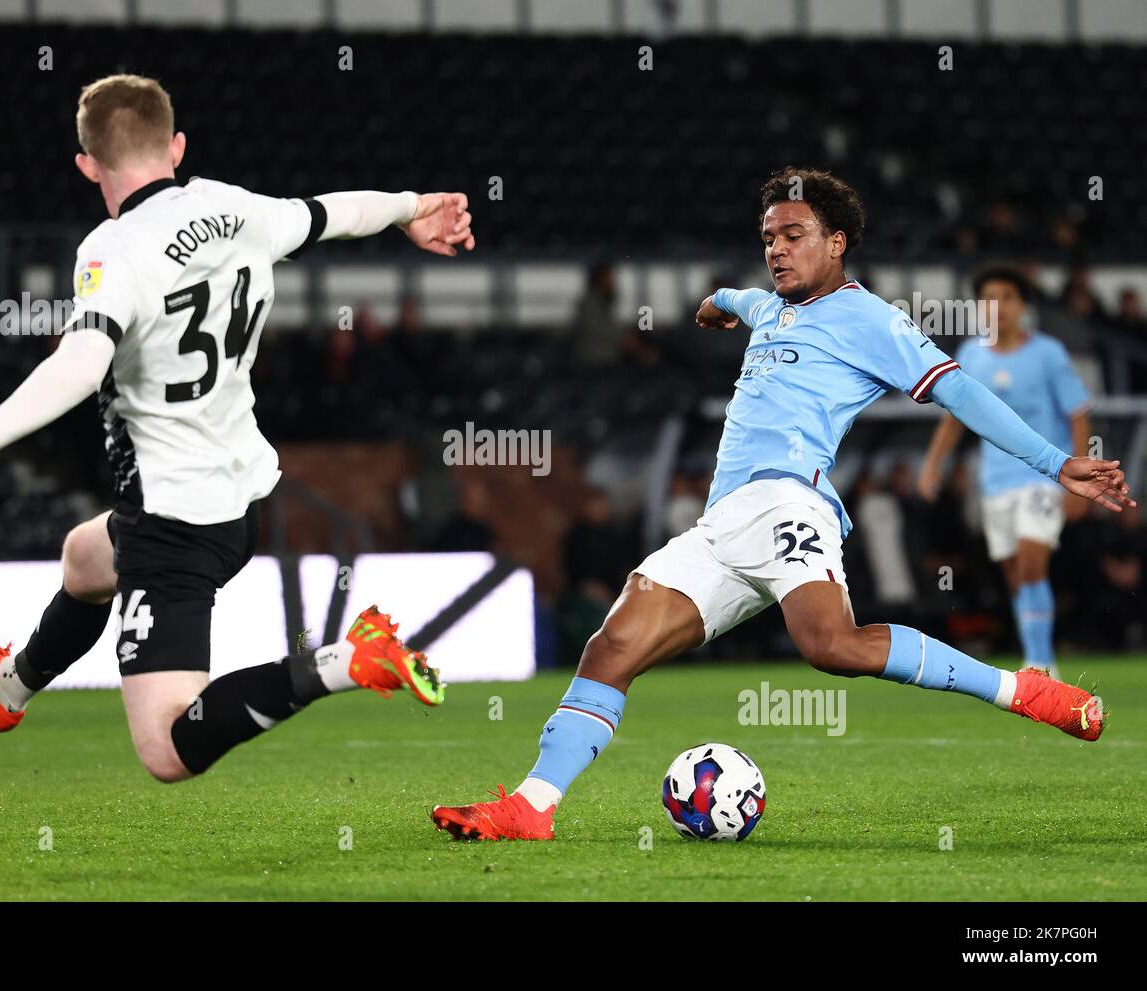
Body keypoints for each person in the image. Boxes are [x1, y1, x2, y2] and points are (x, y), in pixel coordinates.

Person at [432, 167, 1133, 841]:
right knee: (611, 645)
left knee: (832, 647)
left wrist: (1057, 461)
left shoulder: (871, 319)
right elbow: (736, 298)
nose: (776, 248)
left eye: (793, 234)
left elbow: (962, 393)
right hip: (721, 525)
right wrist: (717, 303)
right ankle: (532, 807)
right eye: (768, 236)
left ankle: (1023, 691)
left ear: (837, 242)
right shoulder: (767, 305)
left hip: (789, 504)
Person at [0, 74, 475, 782]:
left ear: (87, 165)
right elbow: (332, 212)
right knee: (85, 558)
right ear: (177, 146)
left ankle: (347, 658)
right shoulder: (235, 207)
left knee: (165, 748)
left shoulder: (112, 251)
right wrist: (412, 208)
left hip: (172, 520)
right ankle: (6, 689)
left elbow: (78, 364)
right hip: (240, 497)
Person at [918, 265, 1090, 675]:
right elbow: (955, 414)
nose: (998, 307)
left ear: (1023, 305)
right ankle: (1037, 653)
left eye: (1007, 297)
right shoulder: (971, 355)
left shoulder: (1048, 353)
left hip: (1043, 478)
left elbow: (1078, 413)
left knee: (1032, 564)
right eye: (989, 298)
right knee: (1015, 575)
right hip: (995, 482)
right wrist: (932, 464)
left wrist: (1078, 483)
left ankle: (1040, 665)